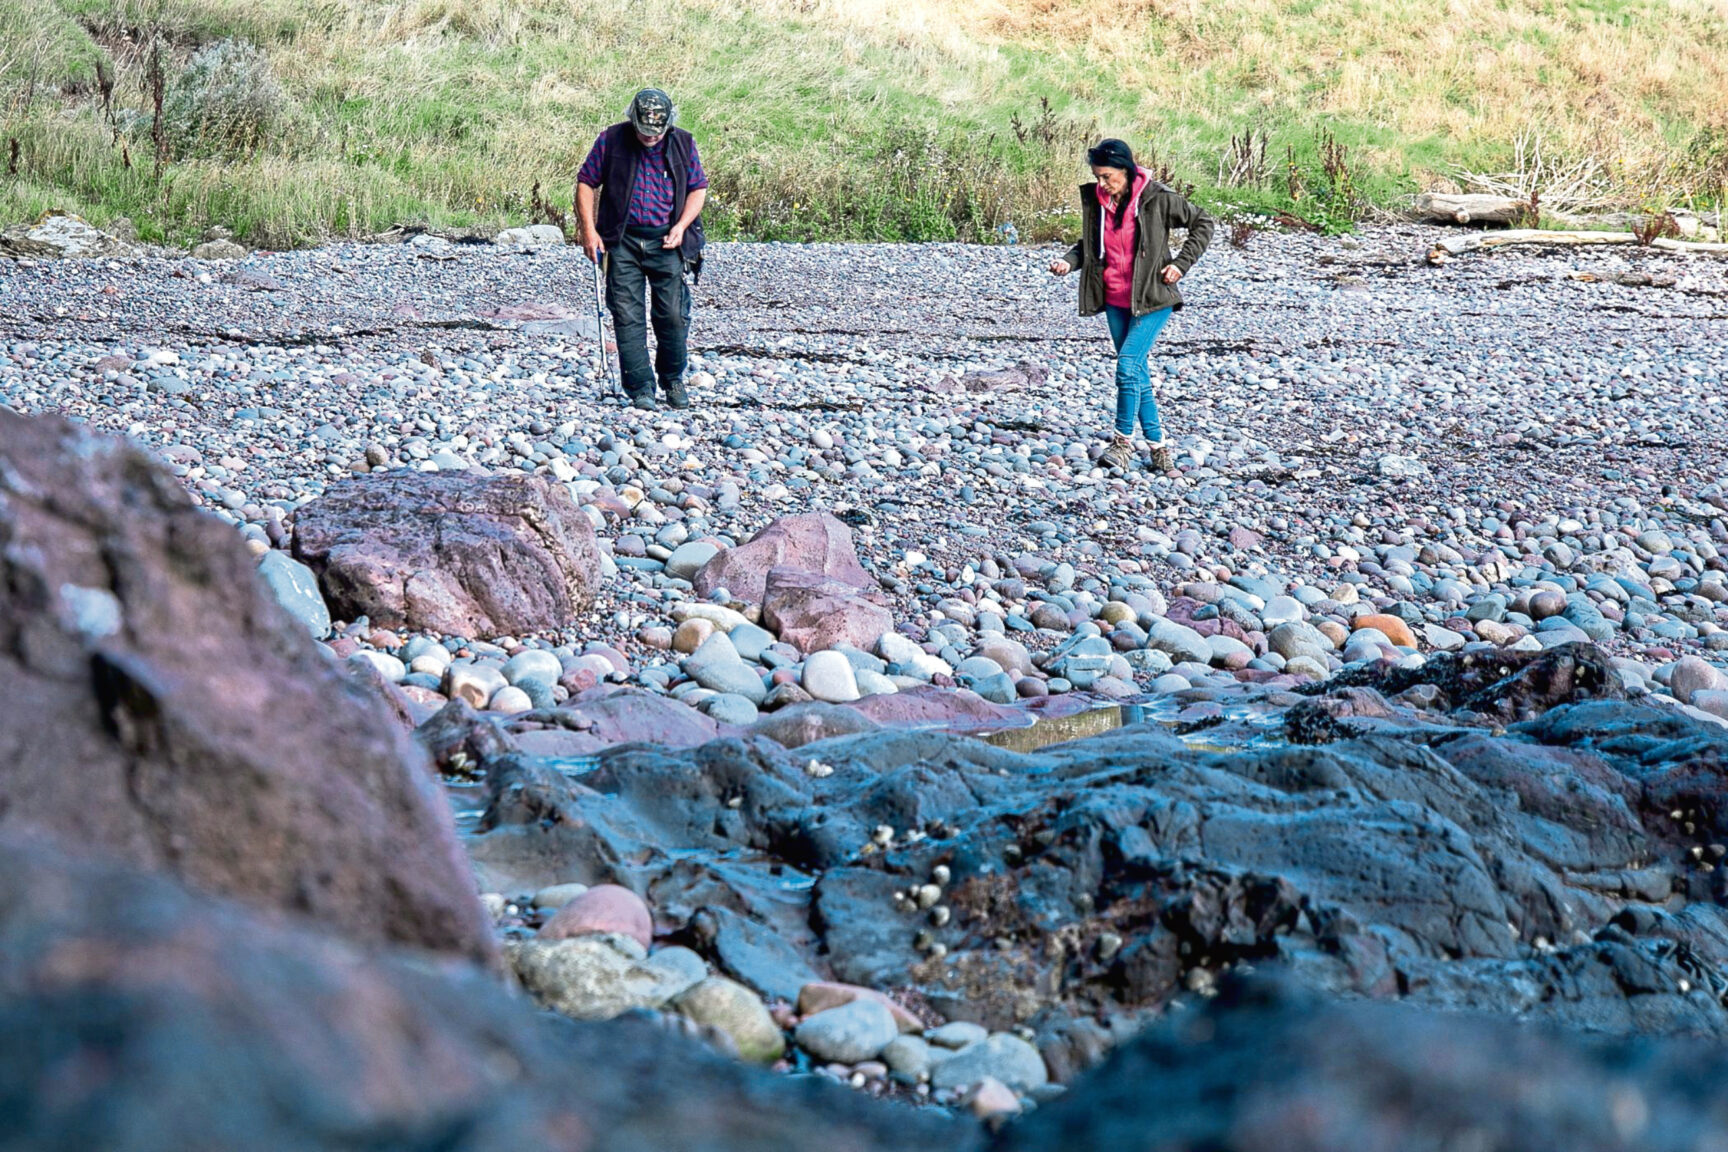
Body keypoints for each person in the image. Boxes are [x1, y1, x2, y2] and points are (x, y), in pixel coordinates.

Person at [1049, 138, 1213, 473]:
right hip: (1114, 299)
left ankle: (1121, 443)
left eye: (1107, 176)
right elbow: (1089, 245)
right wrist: (1069, 262)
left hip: (1154, 298)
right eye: (1098, 176)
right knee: (1136, 373)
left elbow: (1203, 223)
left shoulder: (1158, 199)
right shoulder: (1097, 201)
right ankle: (1159, 449)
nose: (1102, 183)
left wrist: (1181, 264)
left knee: (1126, 367)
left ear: (1126, 170)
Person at [576, 88, 708, 411]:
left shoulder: (683, 144)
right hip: (622, 241)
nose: (650, 137)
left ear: (668, 125)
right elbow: (585, 182)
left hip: (668, 241)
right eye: (644, 131)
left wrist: (681, 226)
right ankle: (640, 388)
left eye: (656, 132)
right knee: (626, 314)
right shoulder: (611, 140)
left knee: (674, 315)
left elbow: (698, 189)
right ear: (632, 119)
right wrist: (588, 231)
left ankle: (673, 379)